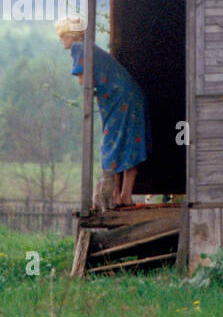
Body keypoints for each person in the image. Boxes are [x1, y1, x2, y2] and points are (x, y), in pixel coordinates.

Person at [55, 13, 151, 208]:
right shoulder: (85, 48)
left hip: (121, 98)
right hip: (124, 97)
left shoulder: (78, 48)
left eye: (62, 35)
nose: (61, 39)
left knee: (117, 142)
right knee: (124, 141)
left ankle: (121, 195)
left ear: (71, 35)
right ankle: (122, 195)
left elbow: (84, 78)